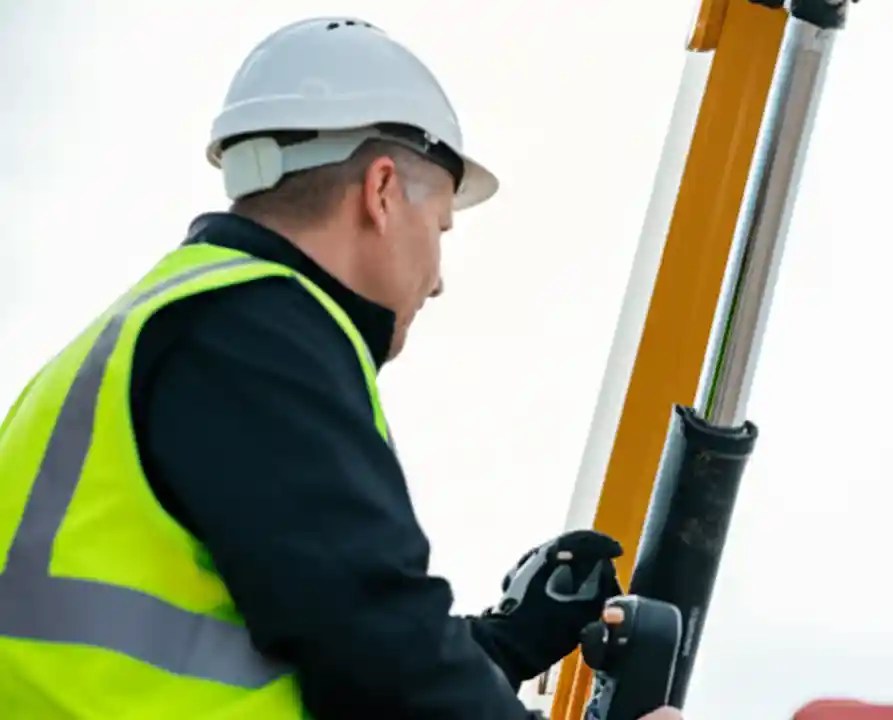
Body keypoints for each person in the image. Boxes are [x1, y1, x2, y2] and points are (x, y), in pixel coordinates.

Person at [0, 16, 682, 720]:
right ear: (382, 192)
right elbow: (379, 657)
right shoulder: (254, 331)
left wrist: (505, 645)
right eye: (441, 227)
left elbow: (316, 636)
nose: (439, 279)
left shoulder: (168, 326)